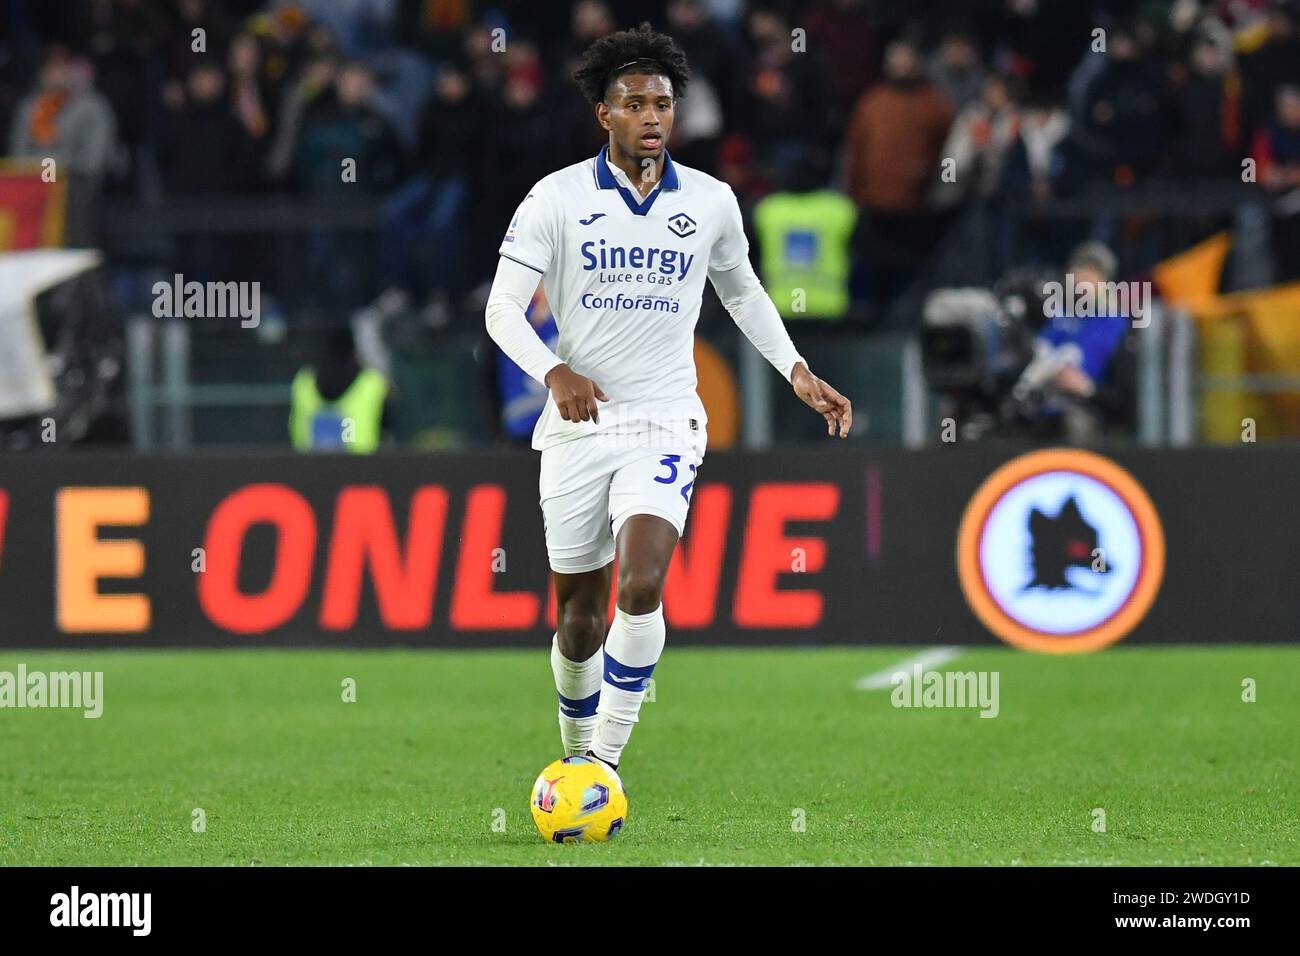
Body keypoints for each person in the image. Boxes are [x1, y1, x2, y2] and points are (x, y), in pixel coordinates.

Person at [484, 23, 852, 774]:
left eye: (663, 104)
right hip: (578, 427)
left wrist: (796, 369)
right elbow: (500, 309)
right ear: (605, 115)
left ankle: (605, 765)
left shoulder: (712, 202)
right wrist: (554, 372)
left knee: (643, 583)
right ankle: (576, 748)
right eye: (636, 103)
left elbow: (742, 290)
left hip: (665, 418)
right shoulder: (554, 198)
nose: (653, 116)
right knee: (578, 621)